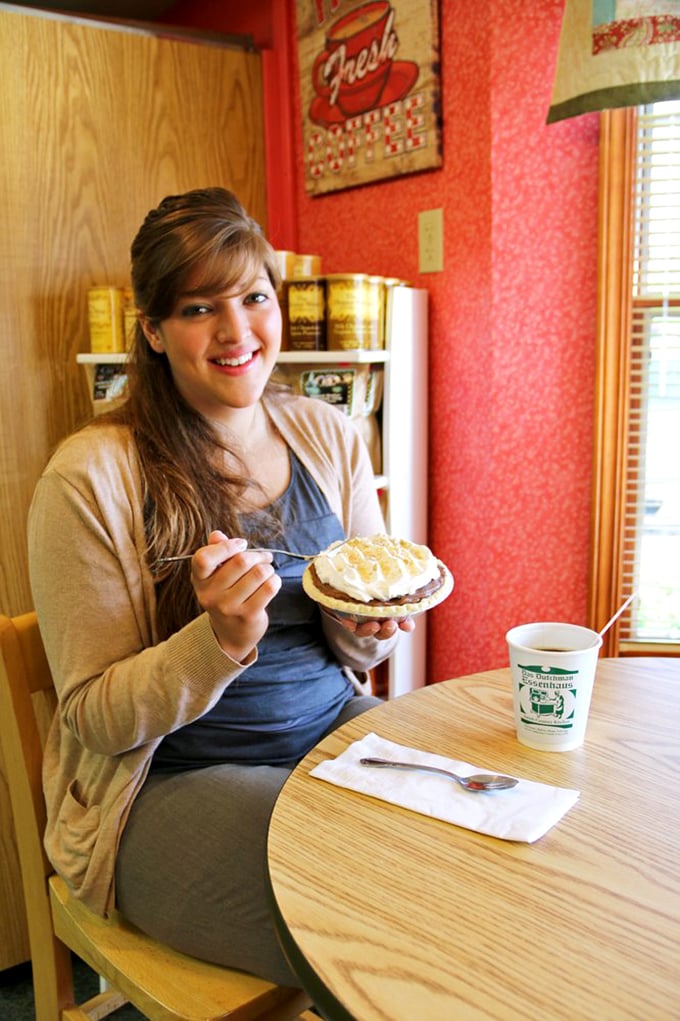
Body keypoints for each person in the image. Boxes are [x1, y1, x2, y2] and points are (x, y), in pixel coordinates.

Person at [28, 187, 415, 988]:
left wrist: (365, 632)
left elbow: (348, 641)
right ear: (153, 329)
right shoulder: (87, 477)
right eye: (201, 307)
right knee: (379, 913)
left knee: (466, 839)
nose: (238, 331)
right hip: (165, 784)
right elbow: (93, 717)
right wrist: (219, 642)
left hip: (328, 728)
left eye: (254, 297)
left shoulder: (329, 436)